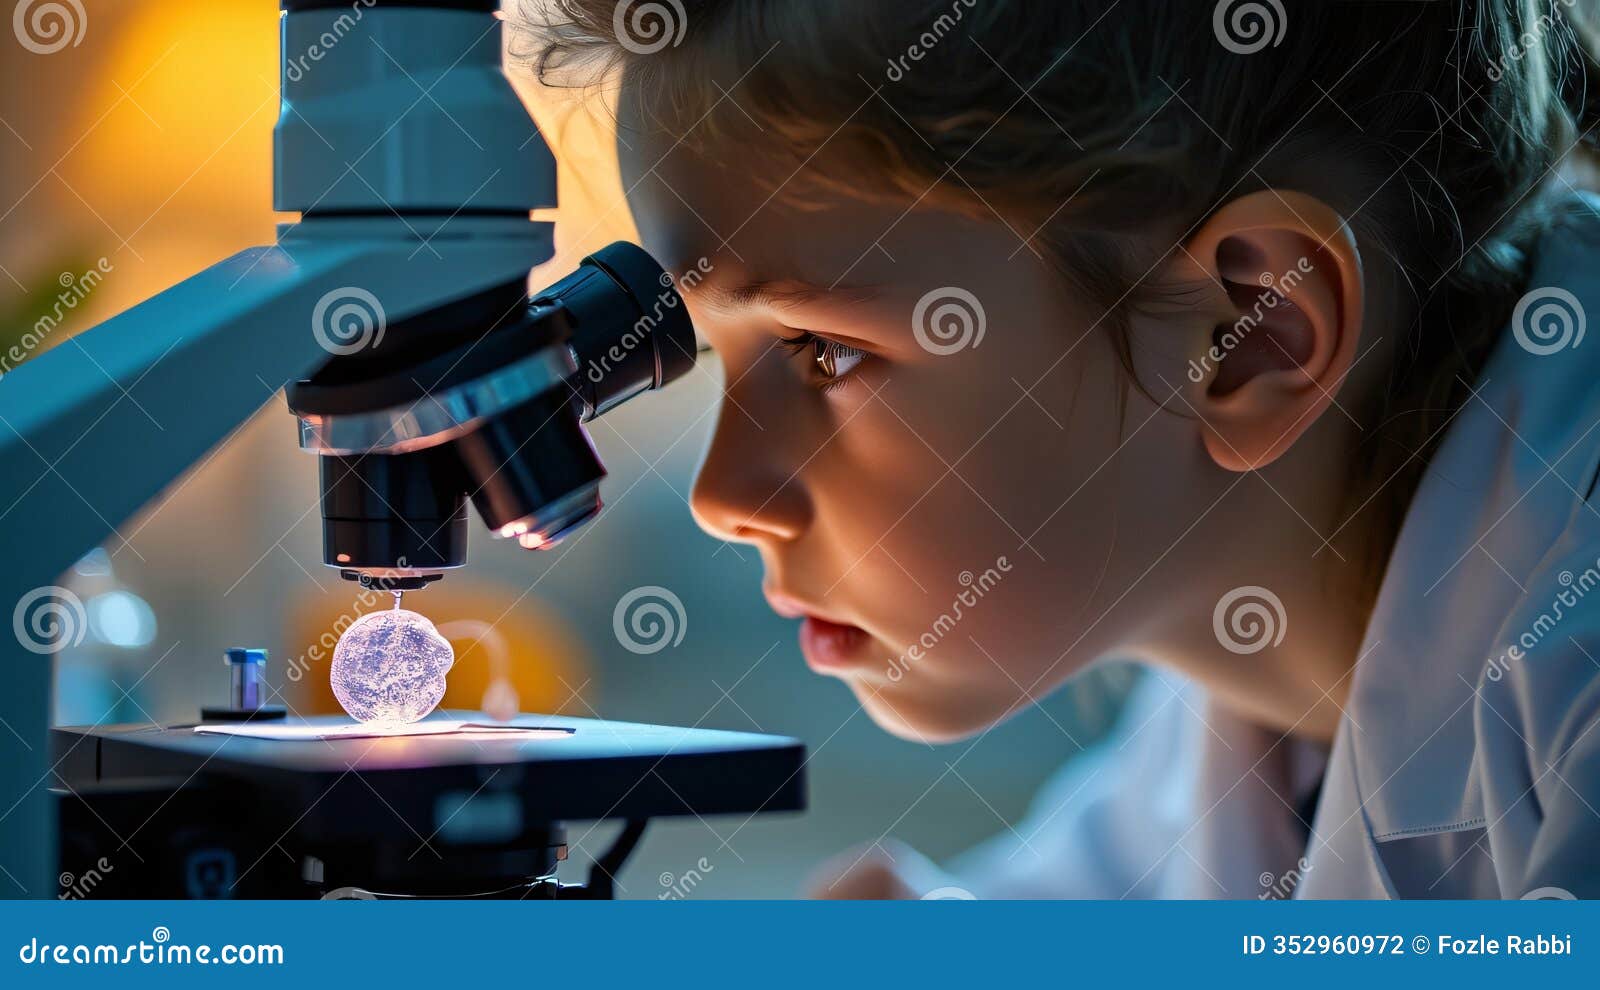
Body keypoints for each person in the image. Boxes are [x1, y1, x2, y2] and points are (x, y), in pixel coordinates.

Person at [524, 0, 1600, 897]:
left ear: (1250, 335)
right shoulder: (1230, 701)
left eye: (822, 353)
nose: (725, 494)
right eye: (717, 355)